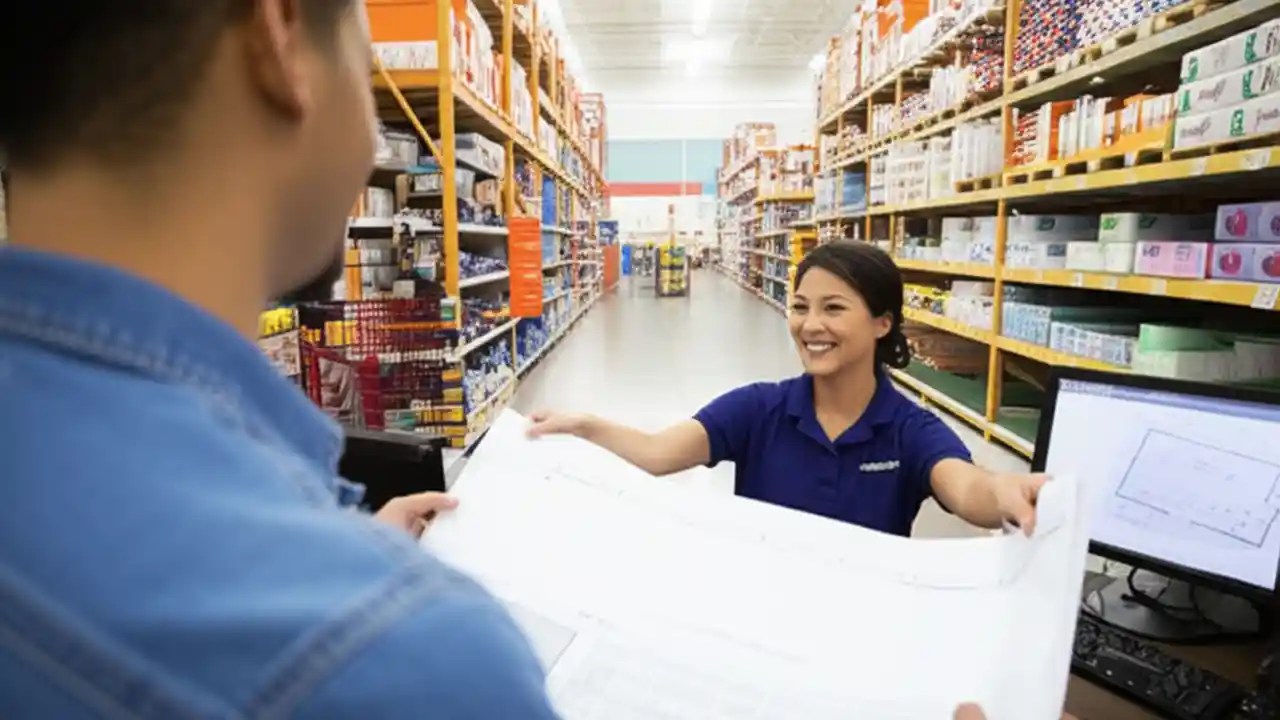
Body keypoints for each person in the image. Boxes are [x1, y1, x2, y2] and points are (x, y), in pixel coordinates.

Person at [0, 2, 558, 717]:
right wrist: (371, 603)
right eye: (368, 69)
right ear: (280, 35)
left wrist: (342, 544)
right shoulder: (410, 665)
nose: (370, 148)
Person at [530, 241, 1049, 538]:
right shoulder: (758, 410)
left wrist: (1004, 492)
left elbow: (966, 489)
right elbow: (657, 452)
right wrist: (585, 425)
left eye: (834, 308)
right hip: (762, 625)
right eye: (800, 306)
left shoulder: (910, 431)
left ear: (882, 323)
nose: (809, 324)